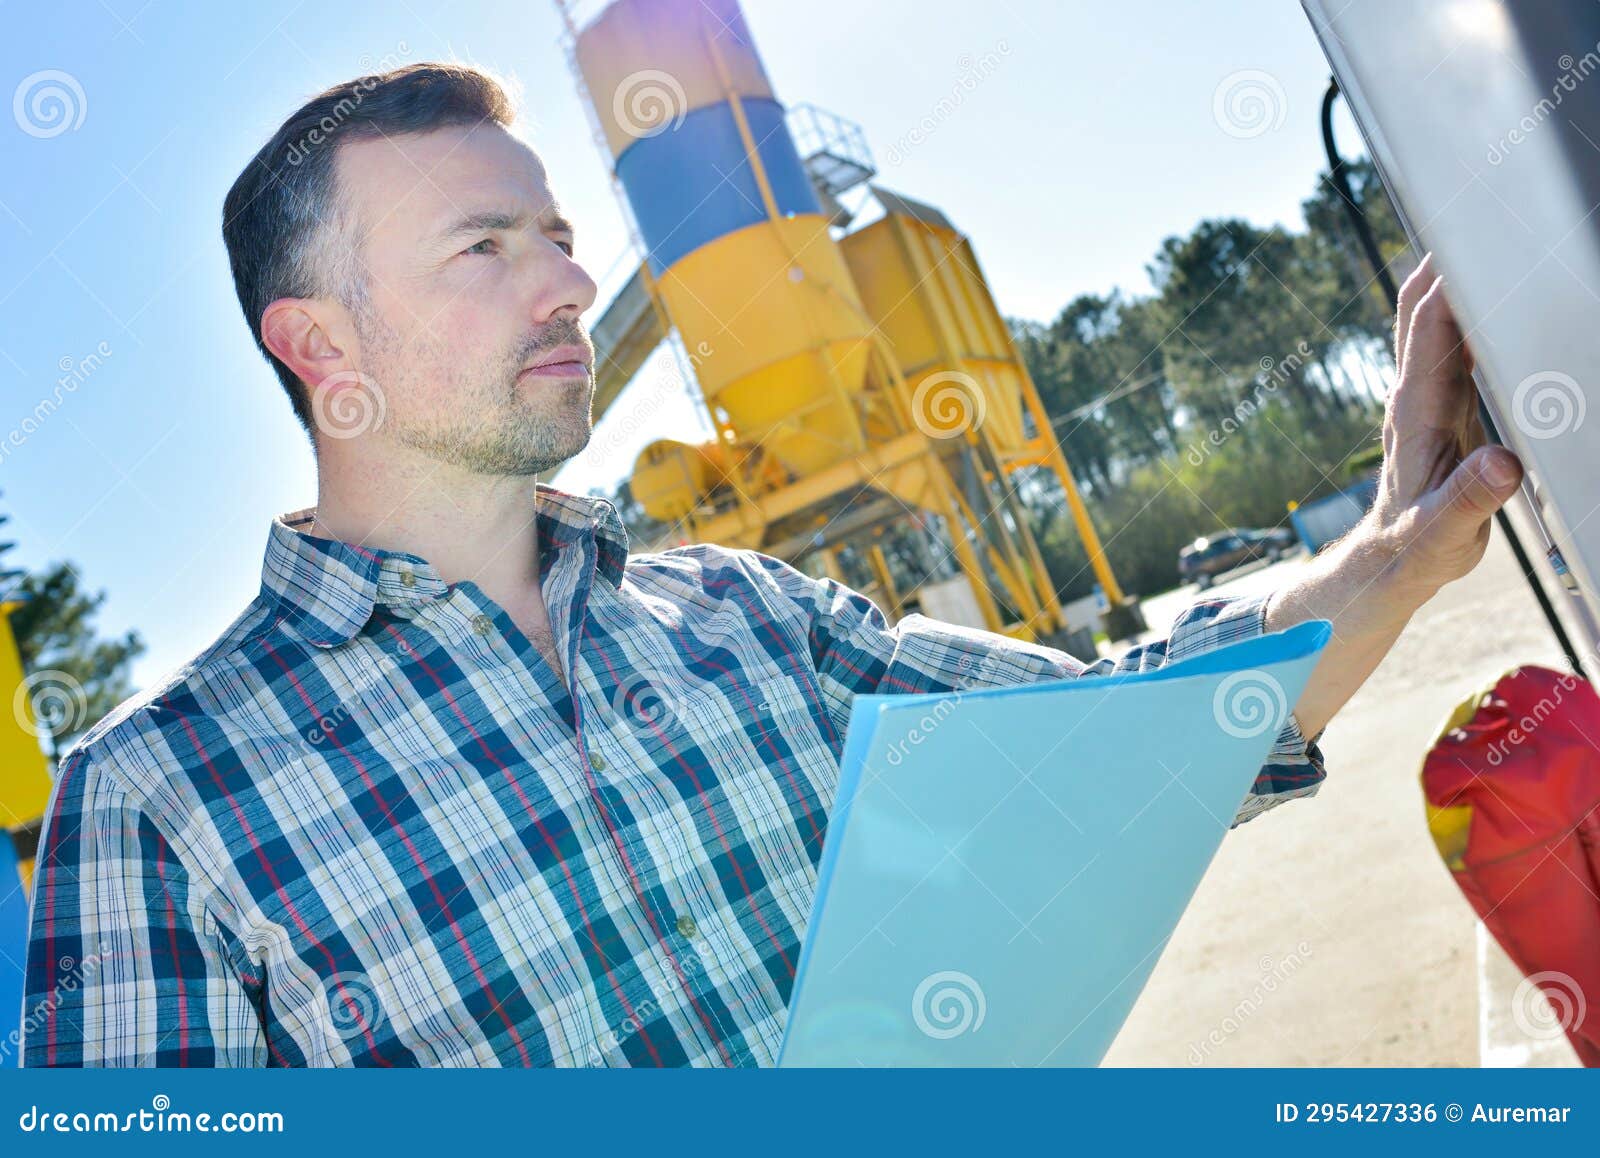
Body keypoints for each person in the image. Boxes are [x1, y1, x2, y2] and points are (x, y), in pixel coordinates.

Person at [20, 64, 1523, 1067]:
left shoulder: (740, 612)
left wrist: (1391, 552)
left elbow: (1113, 745)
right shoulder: (160, 800)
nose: (568, 277)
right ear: (321, 347)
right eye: (485, 247)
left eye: (557, 227)